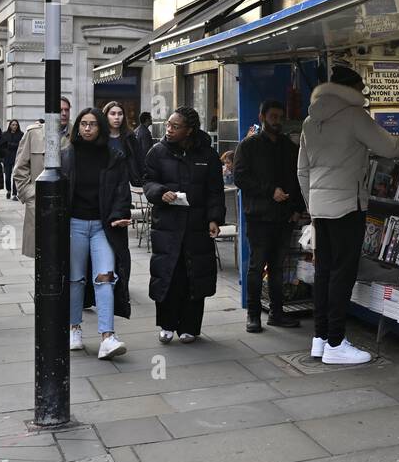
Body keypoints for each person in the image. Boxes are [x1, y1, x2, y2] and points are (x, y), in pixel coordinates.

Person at [298, 66, 399, 365]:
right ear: (350, 90)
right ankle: (336, 344)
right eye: (360, 90)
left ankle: (320, 339)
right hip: (347, 206)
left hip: (321, 208)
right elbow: (390, 147)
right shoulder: (353, 115)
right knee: (342, 274)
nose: (363, 95)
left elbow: (302, 170)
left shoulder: (311, 121)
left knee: (324, 273)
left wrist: (313, 205)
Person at [144, 107, 226, 343]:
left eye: (175, 126)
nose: (169, 129)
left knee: (194, 275)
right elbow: (148, 182)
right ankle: (167, 324)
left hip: (197, 225)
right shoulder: (157, 152)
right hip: (167, 225)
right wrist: (161, 192)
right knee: (168, 274)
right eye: (168, 124)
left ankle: (190, 326)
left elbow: (215, 191)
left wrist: (214, 218)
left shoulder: (207, 155)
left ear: (189, 130)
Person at [61, 108, 133, 360]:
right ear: (77, 127)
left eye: (92, 124)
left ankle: (107, 337)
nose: (88, 128)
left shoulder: (114, 156)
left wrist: (119, 213)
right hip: (74, 224)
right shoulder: (66, 156)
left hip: (104, 226)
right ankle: (74, 328)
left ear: (100, 127)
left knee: (105, 277)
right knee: (75, 279)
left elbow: (122, 191)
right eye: (83, 124)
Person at [234, 100, 305, 334]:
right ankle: (253, 315)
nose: (277, 121)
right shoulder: (249, 145)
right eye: (273, 116)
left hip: (284, 218)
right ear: (262, 117)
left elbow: (298, 180)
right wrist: (269, 190)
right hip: (259, 216)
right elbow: (241, 178)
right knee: (256, 267)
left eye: (280, 117)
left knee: (278, 268)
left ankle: (277, 313)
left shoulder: (289, 147)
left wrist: (297, 208)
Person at [12, 97, 71, 258]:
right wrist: (30, 195)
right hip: (39, 202)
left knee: (66, 254)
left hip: (68, 203)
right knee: (42, 253)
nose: (64, 113)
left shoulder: (77, 134)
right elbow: (20, 168)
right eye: (60, 110)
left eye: (67, 110)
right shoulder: (34, 133)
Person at [102, 101, 145, 186]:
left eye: (120, 114)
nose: (117, 117)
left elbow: (139, 162)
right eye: (113, 114)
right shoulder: (100, 137)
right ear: (106, 116)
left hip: (125, 186)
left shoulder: (130, 137)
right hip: (103, 185)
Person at [2, 120, 24, 199]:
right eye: (13, 125)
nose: (14, 126)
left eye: (16, 125)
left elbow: (21, 145)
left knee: (15, 176)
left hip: (17, 157)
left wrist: (10, 145)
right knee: (7, 176)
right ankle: (8, 190)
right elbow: (3, 145)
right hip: (7, 158)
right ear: (10, 125)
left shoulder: (21, 134)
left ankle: (15, 193)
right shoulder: (4, 134)